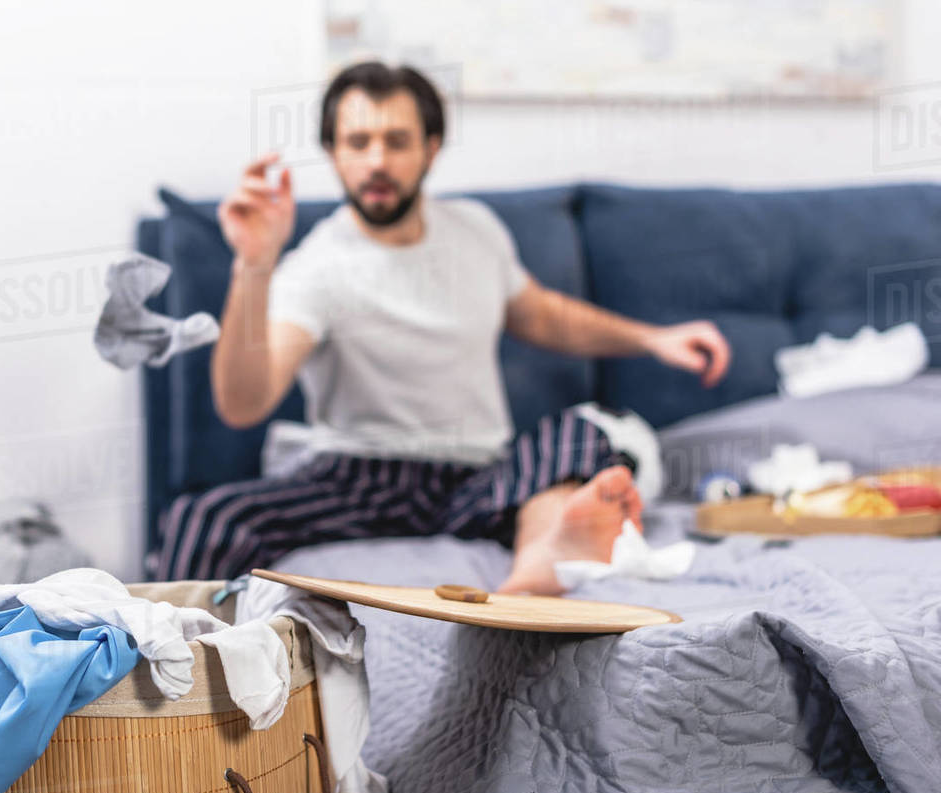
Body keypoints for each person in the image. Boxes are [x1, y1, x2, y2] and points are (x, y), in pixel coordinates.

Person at [152, 61, 731, 594]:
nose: (377, 161)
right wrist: (253, 264)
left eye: (397, 141)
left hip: (477, 477)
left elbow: (541, 314)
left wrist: (653, 339)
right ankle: (167, 692)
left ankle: (533, 575)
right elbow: (244, 404)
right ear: (333, 153)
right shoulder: (316, 267)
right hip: (360, 477)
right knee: (206, 519)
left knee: (595, 434)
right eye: (358, 142)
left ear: (430, 149)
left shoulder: (476, 230)